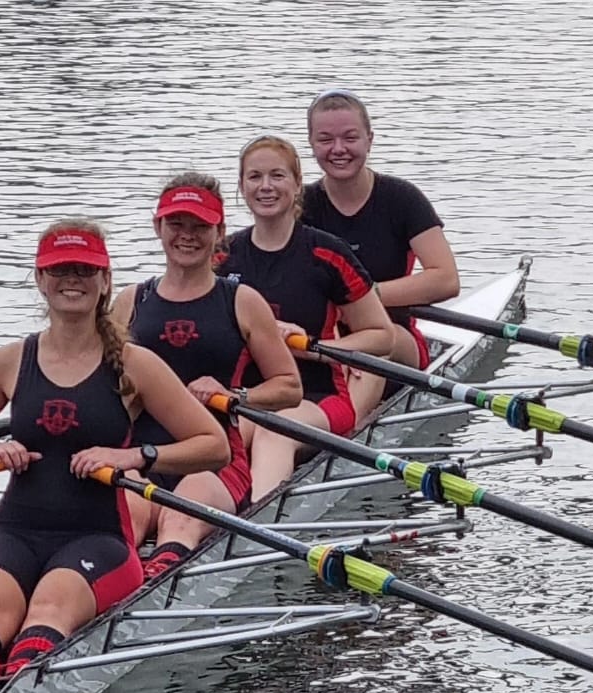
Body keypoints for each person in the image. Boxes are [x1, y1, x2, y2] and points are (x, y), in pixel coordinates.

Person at [0, 219, 229, 678]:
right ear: (40, 280)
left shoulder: (135, 364)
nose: (73, 280)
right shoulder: (10, 361)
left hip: (100, 539)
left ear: (105, 281)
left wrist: (137, 456)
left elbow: (214, 446)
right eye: (61, 270)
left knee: (48, 610)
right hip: (15, 531)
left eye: (85, 271)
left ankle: (13, 692)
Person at [111, 174, 302, 577]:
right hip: (138, 455)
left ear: (219, 233)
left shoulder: (242, 301)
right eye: (176, 224)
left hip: (216, 460)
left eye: (200, 226)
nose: (187, 236)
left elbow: (289, 387)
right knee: (123, 514)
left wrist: (234, 394)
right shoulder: (131, 300)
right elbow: (98, 383)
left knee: (185, 510)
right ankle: (112, 580)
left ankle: (158, 582)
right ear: (157, 227)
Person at [219, 134, 395, 499]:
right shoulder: (223, 257)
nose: (266, 187)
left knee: (274, 429)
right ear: (241, 186)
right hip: (246, 393)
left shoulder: (327, 253)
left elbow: (382, 336)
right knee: (221, 432)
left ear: (297, 185)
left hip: (318, 395)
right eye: (254, 177)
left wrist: (317, 348)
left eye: (277, 176)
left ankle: (260, 528)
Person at [301, 89, 460, 411]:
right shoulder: (299, 206)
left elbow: (445, 280)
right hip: (318, 341)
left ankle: (345, 434)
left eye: (350, 138)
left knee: (370, 346)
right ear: (311, 143)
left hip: (394, 337)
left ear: (369, 140)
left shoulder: (402, 199)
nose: (338, 149)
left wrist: (362, 299)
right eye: (325, 140)